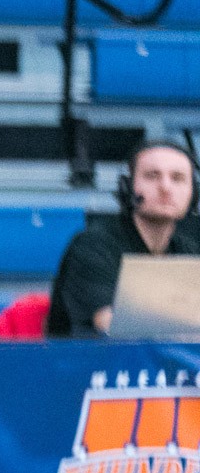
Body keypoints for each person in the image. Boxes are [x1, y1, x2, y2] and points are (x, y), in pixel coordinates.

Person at [46, 140, 200, 338]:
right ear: (127, 186)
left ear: (193, 193)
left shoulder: (189, 252)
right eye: (152, 176)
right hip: (89, 365)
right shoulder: (92, 247)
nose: (165, 187)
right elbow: (111, 326)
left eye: (177, 178)